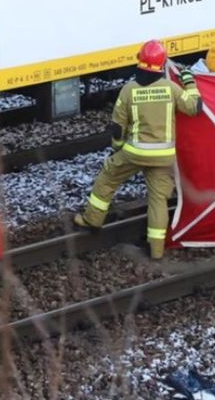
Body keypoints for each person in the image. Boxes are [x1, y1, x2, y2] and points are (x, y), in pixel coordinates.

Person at [74, 40, 202, 258]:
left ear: (140, 61)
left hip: (134, 152)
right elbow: (194, 108)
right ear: (161, 64)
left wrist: (116, 149)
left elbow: (117, 126)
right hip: (163, 156)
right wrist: (189, 82)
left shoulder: (129, 90)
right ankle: (156, 249)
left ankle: (92, 220)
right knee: (158, 199)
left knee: (108, 178)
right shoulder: (170, 88)